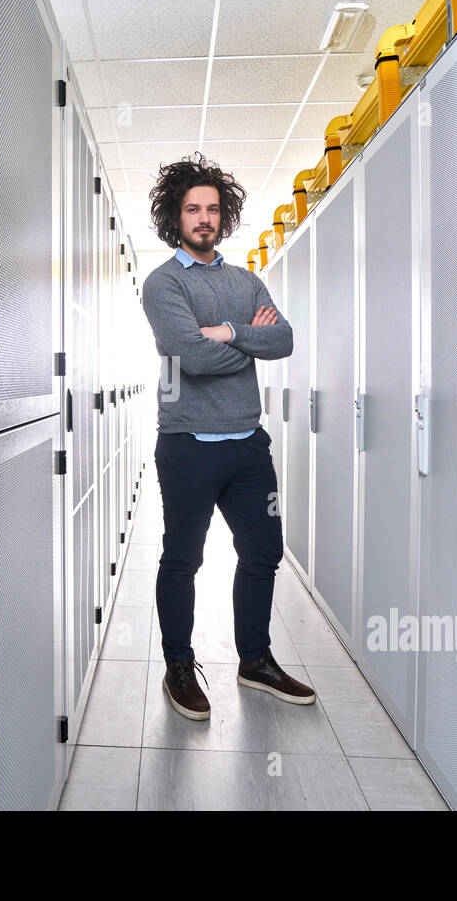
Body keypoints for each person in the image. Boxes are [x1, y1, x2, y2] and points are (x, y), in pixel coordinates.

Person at [140, 152, 316, 721]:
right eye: (193, 208)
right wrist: (243, 342)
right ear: (176, 216)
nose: (204, 218)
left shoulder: (246, 281)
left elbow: (283, 339)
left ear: (225, 216)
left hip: (247, 446)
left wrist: (227, 330)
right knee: (182, 559)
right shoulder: (162, 284)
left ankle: (255, 660)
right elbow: (187, 356)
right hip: (188, 443)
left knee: (263, 552)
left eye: (213, 209)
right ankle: (179, 667)